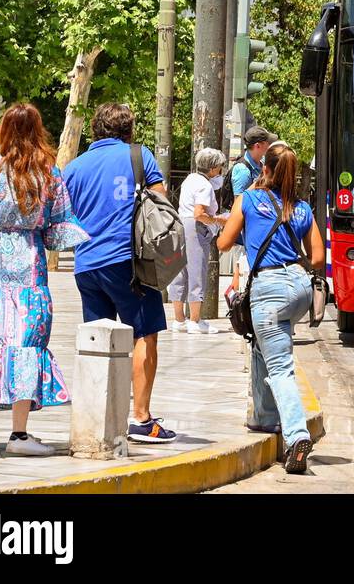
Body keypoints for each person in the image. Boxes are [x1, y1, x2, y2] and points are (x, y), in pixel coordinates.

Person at [0, 103, 89, 455]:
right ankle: (19, 435)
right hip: (30, 267)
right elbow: (58, 227)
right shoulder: (49, 174)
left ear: (4, 131)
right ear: (38, 131)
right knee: (27, 345)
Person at [62, 103, 175, 444]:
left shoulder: (74, 167)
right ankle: (141, 418)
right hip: (129, 263)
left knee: (99, 338)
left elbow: (64, 212)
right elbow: (160, 200)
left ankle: (98, 416)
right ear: (129, 130)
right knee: (144, 334)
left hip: (86, 265)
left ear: (95, 129)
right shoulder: (138, 156)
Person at [217, 141, 324, 474]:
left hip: (269, 289)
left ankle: (296, 435)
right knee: (263, 344)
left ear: (265, 169)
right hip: (299, 290)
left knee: (280, 367)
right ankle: (264, 418)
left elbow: (222, 243)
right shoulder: (303, 208)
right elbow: (319, 258)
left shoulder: (247, 199)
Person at [173, 148, 228, 333]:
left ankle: (179, 319)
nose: (220, 171)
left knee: (180, 272)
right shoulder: (205, 185)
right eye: (220, 167)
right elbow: (199, 213)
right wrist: (218, 220)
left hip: (181, 224)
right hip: (195, 229)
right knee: (197, 271)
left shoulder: (190, 179)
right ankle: (195, 321)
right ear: (212, 168)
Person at [225, 125, 275, 288]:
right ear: (258, 146)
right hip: (243, 232)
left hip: (254, 228)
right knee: (242, 273)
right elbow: (239, 204)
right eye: (268, 143)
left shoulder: (259, 165)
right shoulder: (242, 170)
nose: (270, 147)